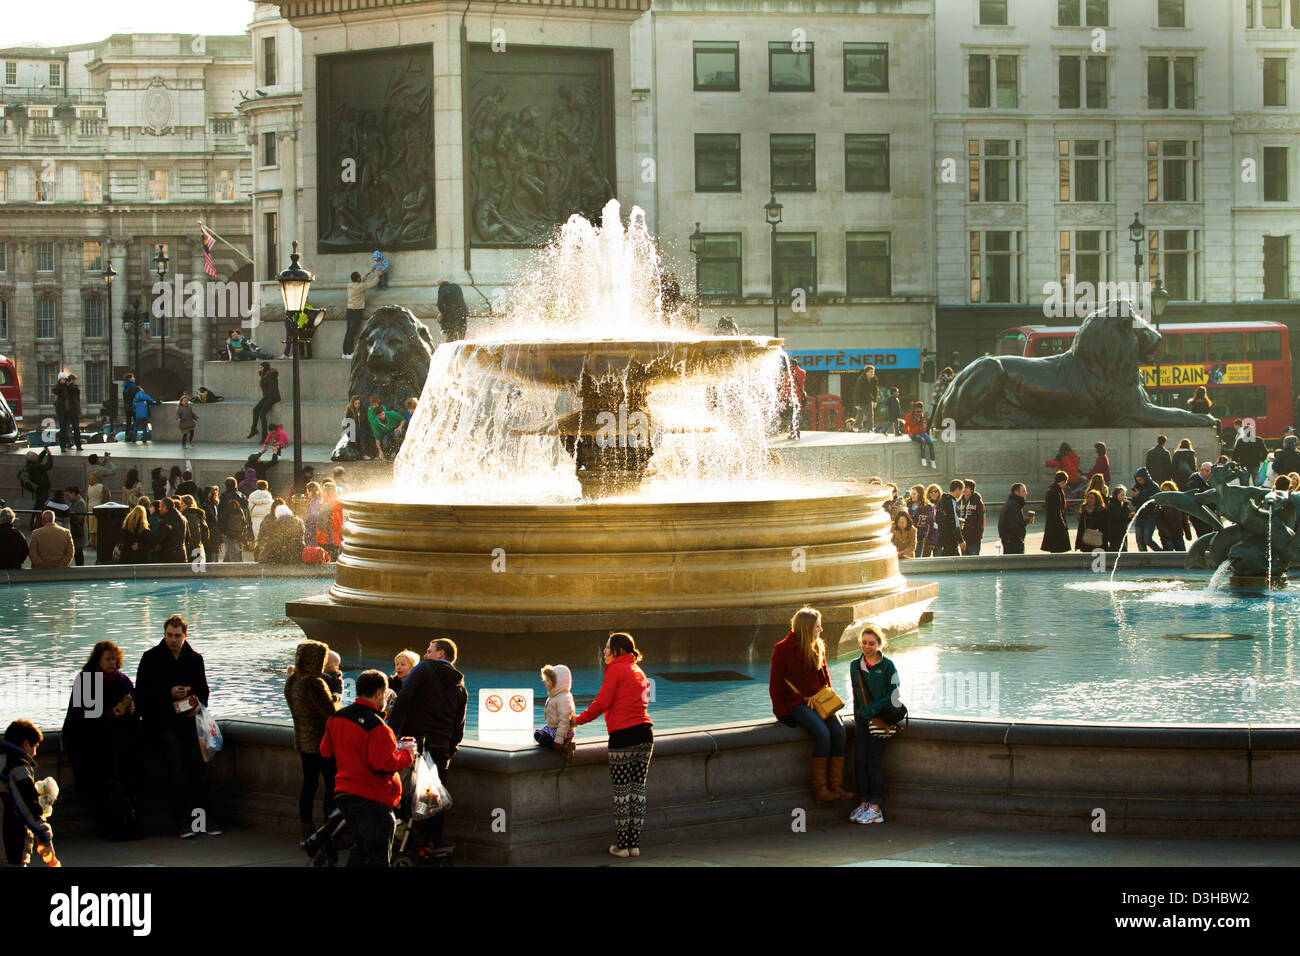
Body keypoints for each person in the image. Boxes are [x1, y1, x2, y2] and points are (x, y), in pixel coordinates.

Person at [134, 615, 220, 838]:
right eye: (169, 635)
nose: (173, 640)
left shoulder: (195, 659)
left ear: (185, 635)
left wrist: (196, 704)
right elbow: (141, 694)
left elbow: (203, 691)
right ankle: (182, 821)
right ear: (164, 634)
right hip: (163, 723)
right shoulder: (150, 658)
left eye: (177, 636)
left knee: (199, 771)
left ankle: (202, 821)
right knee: (177, 770)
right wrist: (168, 693)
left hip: (190, 722)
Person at [574, 632, 656, 858]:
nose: (604, 651)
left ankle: (621, 847)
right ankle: (634, 845)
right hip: (645, 735)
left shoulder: (616, 670)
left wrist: (577, 720)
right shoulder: (639, 671)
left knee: (622, 792)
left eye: (608, 647)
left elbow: (602, 702)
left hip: (623, 737)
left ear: (618, 650)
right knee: (638, 791)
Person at [320, 670, 413, 867]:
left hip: (345, 794)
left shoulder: (337, 717)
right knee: (378, 857)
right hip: (372, 797)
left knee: (362, 849)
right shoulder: (377, 726)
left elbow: (325, 751)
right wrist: (407, 754)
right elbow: (383, 763)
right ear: (379, 693)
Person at [388, 638, 467, 849]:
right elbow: (459, 724)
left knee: (408, 793)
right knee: (435, 797)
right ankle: (433, 841)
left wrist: (391, 732)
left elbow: (404, 698)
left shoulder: (425, 668)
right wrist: (450, 749)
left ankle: (407, 841)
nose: (425, 655)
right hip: (441, 746)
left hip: (415, 742)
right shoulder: (460, 684)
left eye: (429, 651)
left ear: (441, 654)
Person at [61, 641, 143, 841]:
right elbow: (80, 719)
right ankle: (110, 827)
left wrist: (132, 711)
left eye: (114, 659)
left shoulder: (123, 681)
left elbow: (136, 707)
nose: (112, 663)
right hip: (93, 741)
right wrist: (109, 715)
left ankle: (126, 826)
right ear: (98, 660)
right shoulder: (86, 680)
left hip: (119, 740)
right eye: (108, 659)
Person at [769, 607, 847, 805]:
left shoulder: (818, 645)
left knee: (839, 732)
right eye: (817, 627)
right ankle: (820, 789)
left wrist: (830, 700)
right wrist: (781, 713)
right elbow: (775, 684)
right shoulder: (783, 649)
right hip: (797, 702)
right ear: (806, 628)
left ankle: (836, 785)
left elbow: (825, 677)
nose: (821, 630)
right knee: (823, 734)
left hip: (819, 700)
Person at [284, 640, 341, 843]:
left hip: (302, 740)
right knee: (332, 784)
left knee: (309, 785)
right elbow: (330, 711)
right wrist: (336, 695)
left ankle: (306, 828)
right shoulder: (314, 682)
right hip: (321, 742)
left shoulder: (292, 680)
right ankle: (330, 829)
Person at [848, 623, 900, 825]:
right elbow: (855, 694)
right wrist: (859, 716)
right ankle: (864, 804)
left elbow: (894, 694)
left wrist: (873, 709)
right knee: (860, 762)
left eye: (871, 643)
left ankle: (876, 808)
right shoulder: (854, 665)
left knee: (873, 762)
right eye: (863, 643)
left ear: (880, 644)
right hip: (862, 721)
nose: (867, 647)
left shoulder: (888, 666)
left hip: (881, 720)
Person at [1, 720, 57, 866]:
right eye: (35, 746)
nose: (35, 752)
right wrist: (45, 835)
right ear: (25, 744)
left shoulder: (2, 761)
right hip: (9, 842)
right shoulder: (18, 768)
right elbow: (28, 807)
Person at [535, 664, 576, 757]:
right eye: (545, 680)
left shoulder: (564, 698)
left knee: (543, 739)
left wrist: (559, 738)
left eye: (548, 680)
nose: (545, 683)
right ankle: (561, 744)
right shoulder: (554, 696)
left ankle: (565, 746)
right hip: (553, 728)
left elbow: (565, 720)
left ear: (557, 682)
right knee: (537, 735)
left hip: (564, 731)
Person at [344, 269, 380, 359]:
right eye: (360, 277)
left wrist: (368, 273)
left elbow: (361, 281)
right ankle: (349, 352)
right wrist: (378, 276)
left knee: (348, 333)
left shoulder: (350, 285)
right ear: (358, 279)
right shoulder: (359, 287)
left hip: (349, 311)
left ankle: (345, 352)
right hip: (356, 312)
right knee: (352, 333)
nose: (361, 277)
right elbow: (371, 284)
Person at [19, 449, 54, 527]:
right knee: (42, 507)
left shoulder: (29, 464)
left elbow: (39, 459)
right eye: (35, 455)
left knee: (37, 506)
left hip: (37, 488)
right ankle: (37, 524)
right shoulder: (36, 466)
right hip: (42, 488)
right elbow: (48, 465)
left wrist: (44, 451)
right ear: (33, 458)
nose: (37, 456)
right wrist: (50, 455)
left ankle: (32, 524)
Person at [248, 362, 281, 441]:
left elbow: (273, 389)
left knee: (262, 413)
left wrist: (267, 399)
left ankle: (265, 434)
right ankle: (254, 429)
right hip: (267, 397)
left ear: (265, 368)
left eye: (261, 368)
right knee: (255, 410)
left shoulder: (269, 376)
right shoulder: (265, 376)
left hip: (272, 397)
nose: (260, 369)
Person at [1155, 480, 1190, 551]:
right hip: (1166, 536)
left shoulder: (1179, 503)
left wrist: (1187, 532)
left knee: (1181, 555)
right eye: (1164, 491)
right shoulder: (1160, 504)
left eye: (1168, 491)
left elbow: (1184, 519)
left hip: (1178, 534)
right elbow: (1158, 521)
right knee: (1169, 556)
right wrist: (1165, 533)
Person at [1229, 420, 1267, 487]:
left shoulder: (1240, 441)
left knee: (1244, 485)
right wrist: (1261, 459)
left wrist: (1233, 464)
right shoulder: (1258, 440)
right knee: (1257, 483)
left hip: (1244, 465)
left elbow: (1235, 454)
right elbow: (1265, 452)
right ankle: (1256, 495)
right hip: (1256, 464)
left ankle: (1246, 496)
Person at [151, 497, 187, 564]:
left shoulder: (165, 521)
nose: (159, 509)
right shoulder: (183, 519)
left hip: (168, 556)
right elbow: (188, 537)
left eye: (160, 507)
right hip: (181, 554)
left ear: (165, 507)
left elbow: (158, 538)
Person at [1041, 471, 1070, 553]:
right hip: (1057, 527)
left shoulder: (1051, 490)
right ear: (1063, 481)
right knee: (1058, 550)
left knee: (1054, 550)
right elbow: (1057, 512)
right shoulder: (1057, 493)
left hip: (1051, 525)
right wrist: (1063, 526)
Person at [1130, 467, 1159, 550]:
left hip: (1150, 516)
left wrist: (1139, 495)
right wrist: (1134, 497)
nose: (1139, 482)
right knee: (1139, 541)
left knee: (1148, 540)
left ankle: (1160, 554)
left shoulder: (1153, 487)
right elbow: (1134, 503)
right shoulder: (1137, 487)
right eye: (1137, 480)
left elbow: (1152, 501)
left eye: (1140, 480)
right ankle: (1143, 560)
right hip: (1140, 516)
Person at [54, 372, 83, 452]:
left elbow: (76, 391)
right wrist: (60, 384)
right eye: (62, 379)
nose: (64, 380)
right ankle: (63, 446)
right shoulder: (59, 387)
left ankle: (78, 445)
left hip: (73, 412)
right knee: (63, 429)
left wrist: (69, 384)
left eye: (65, 379)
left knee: (76, 429)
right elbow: (55, 390)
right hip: (63, 412)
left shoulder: (73, 387)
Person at [998, 483, 1030, 554]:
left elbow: (1015, 522)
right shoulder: (1013, 506)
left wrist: (1025, 522)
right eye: (1024, 491)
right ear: (1016, 492)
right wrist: (1020, 537)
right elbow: (1013, 525)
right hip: (1013, 542)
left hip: (1010, 540)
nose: (1026, 493)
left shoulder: (1013, 504)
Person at [904, 401, 938, 469]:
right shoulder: (909, 416)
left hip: (921, 432)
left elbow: (923, 425)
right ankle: (923, 458)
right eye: (917, 412)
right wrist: (909, 433)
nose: (918, 413)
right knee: (922, 441)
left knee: (930, 443)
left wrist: (923, 429)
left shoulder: (921, 416)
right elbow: (906, 425)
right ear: (914, 410)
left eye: (920, 412)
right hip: (913, 434)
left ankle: (932, 460)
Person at [317, 481, 345, 559]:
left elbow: (321, 524)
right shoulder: (337, 502)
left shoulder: (327, 504)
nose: (321, 493)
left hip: (326, 539)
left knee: (326, 563)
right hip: (336, 538)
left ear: (326, 492)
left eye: (322, 491)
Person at [936, 480, 963, 557]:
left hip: (943, 536)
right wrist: (960, 540)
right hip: (951, 538)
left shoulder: (942, 500)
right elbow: (955, 522)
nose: (961, 493)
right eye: (961, 491)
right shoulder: (951, 501)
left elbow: (938, 518)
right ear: (957, 489)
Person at [180, 494, 209, 565]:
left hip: (193, 550)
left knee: (194, 572)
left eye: (181, 503)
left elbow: (194, 536)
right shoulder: (198, 515)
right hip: (199, 548)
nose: (180, 505)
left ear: (186, 504)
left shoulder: (190, 516)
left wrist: (193, 551)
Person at [959, 479, 985, 555]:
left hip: (974, 537)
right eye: (963, 488)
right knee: (964, 558)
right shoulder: (959, 501)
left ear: (971, 489)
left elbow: (981, 519)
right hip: (963, 537)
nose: (964, 490)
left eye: (967, 488)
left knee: (973, 557)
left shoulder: (977, 501)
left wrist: (979, 534)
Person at [1103, 486, 1133, 552]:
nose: (1124, 497)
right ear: (1116, 495)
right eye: (1122, 495)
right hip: (1115, 534)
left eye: (1125, 495)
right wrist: (1125, 505)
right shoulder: (1112, 505)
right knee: (1119, 551)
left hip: (1121, 533)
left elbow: (1123, 520)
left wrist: (1130, 518)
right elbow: (1120, 518)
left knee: (1120, 551)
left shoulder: (1118, 505)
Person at [851, 365, 879, 433]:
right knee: (860, 414)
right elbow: (857, 392)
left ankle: (870, 428)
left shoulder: (874, 379)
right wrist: (857, 404)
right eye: (871, 372)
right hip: (861, 399)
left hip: (869, 398)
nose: (873, 373)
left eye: (873, 372)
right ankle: (855, 426)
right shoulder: (861, 379)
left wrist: (875, 401)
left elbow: (875, 390)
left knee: (870, 414)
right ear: (866, 372)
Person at [65, 485, 88, 566]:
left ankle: (80, 566)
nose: (67, 497)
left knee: (78, 551)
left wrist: (70, 513)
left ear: (73, 493)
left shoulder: (80, 502)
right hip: (76, 529)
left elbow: (80, 517)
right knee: (77, 551)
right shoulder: (74, 502)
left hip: (79, 530)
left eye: (68, 495)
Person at [121, 373, 141, 441]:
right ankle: (132, 434)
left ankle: (127, 435)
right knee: (136, 420)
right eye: (133, 377)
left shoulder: (125, 387)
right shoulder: (133, 386)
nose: (134, 378)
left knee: (128, 422)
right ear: (130, 378)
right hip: (133, 406)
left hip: (127, 407)